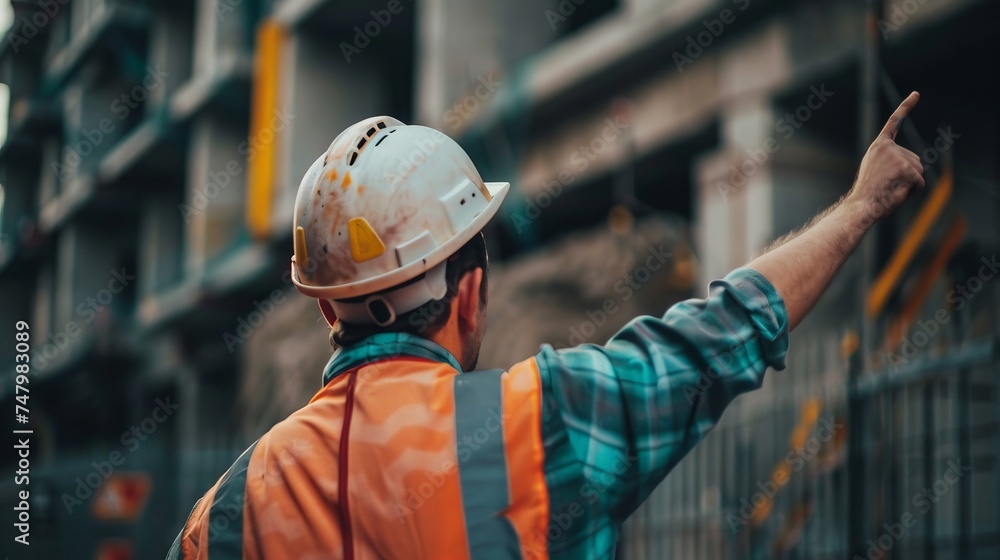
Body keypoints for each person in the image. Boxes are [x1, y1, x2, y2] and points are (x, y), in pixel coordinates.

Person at [167, 93, 925, 559]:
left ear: (327, 307)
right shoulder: (539, 419)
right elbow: (722, 333)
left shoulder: (225, 515)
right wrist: (859, 206)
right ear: (471, 294)